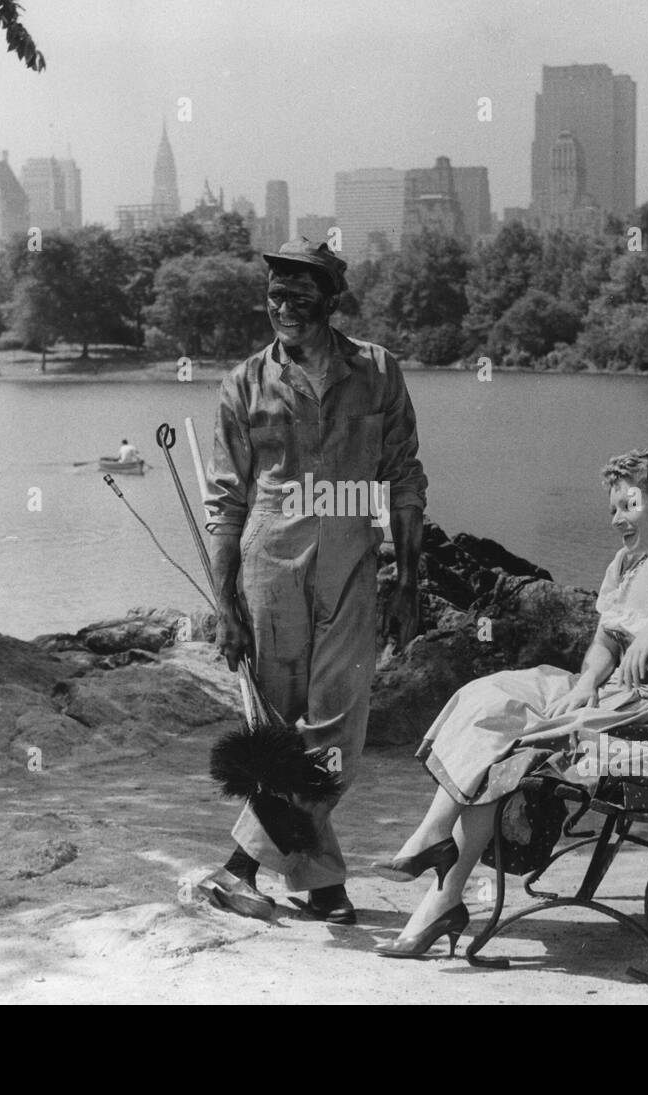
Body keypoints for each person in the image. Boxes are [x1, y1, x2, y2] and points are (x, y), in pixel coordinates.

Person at [371, 449, 648, 958]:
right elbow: (606, 640)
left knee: (510, 745)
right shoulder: (626, 565)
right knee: (488, 697)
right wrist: (588, 680)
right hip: (602, 695)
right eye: (613, 507)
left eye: (629, 504)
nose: (617, 518)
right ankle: (432, 837)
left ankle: (440, 897)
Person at [199, 237, 428, 925]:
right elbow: (225, 502)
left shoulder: (379, 373)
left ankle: (239, 867)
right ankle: (320, 880)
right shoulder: (242, 383)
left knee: (338, 732)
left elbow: (406, 478)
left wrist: (410, 580)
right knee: (274, 731)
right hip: (270, 563)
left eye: (300, 297)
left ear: (332, 301)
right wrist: (226, 605)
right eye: (275, 297)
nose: (284, 309)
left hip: (354, 562)